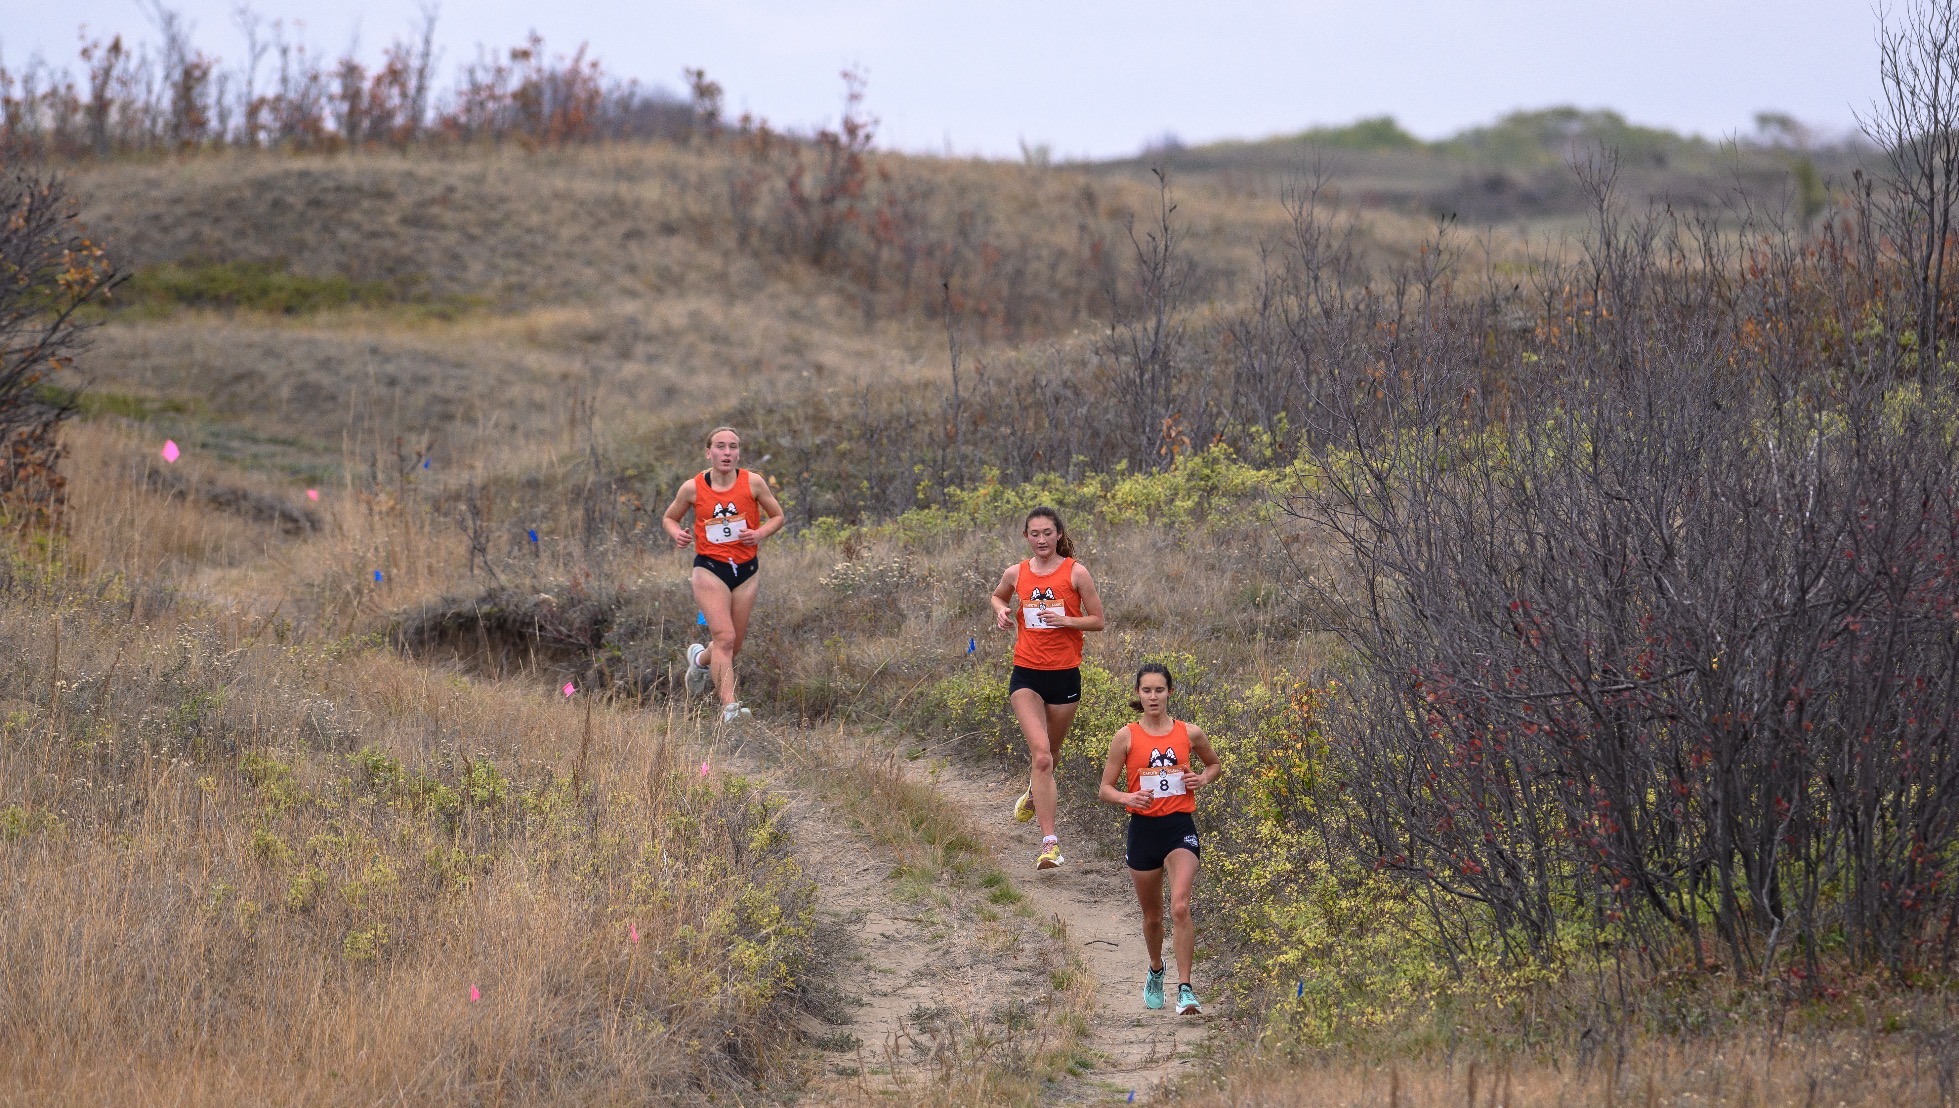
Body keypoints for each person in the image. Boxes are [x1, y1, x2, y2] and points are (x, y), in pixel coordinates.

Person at [1098, 662, 1220, 1016]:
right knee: (1153, 918)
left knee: (1180, 906)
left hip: (1179, 826)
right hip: (1143, 830)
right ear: (1138, 694)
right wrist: (1127, 798)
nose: (1153, 696)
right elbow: (1105, 789)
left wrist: (1203, 779)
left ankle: (1185, 989)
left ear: (1170, 693)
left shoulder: (1189, 733)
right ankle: (1155, 969)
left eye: (1160, 690)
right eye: (1147, 690)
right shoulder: (1126, 737)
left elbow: (1213, 765)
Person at [989, 506, 1106, 870]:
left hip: (1065, 676)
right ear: (1026, 537)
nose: (1041, 540)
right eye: (1034, 534)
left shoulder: (1076, 573)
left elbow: (1098, 621)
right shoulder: (1016, 572)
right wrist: (1001, 611)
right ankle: (1050, 844)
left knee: (1050, 758)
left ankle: (1032, 793)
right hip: (1027, 675)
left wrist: (1065, 620)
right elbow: (998, 596)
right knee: (1041, 756)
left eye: (1047, 533)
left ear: (1058, 535)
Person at [662, 426, 785, 723]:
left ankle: (699, 660)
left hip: (746, 571)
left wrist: (759, 534)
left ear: (738, 452)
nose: (727, 452)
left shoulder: (753, 483)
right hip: (710, 569)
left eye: (733, 447)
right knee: (725, 637)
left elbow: (778, 516)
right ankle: (730, 707)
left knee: (731, 646)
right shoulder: (692, 487)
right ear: (709, 452)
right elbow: (669, 517)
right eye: (720, 446)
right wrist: (677, 533)